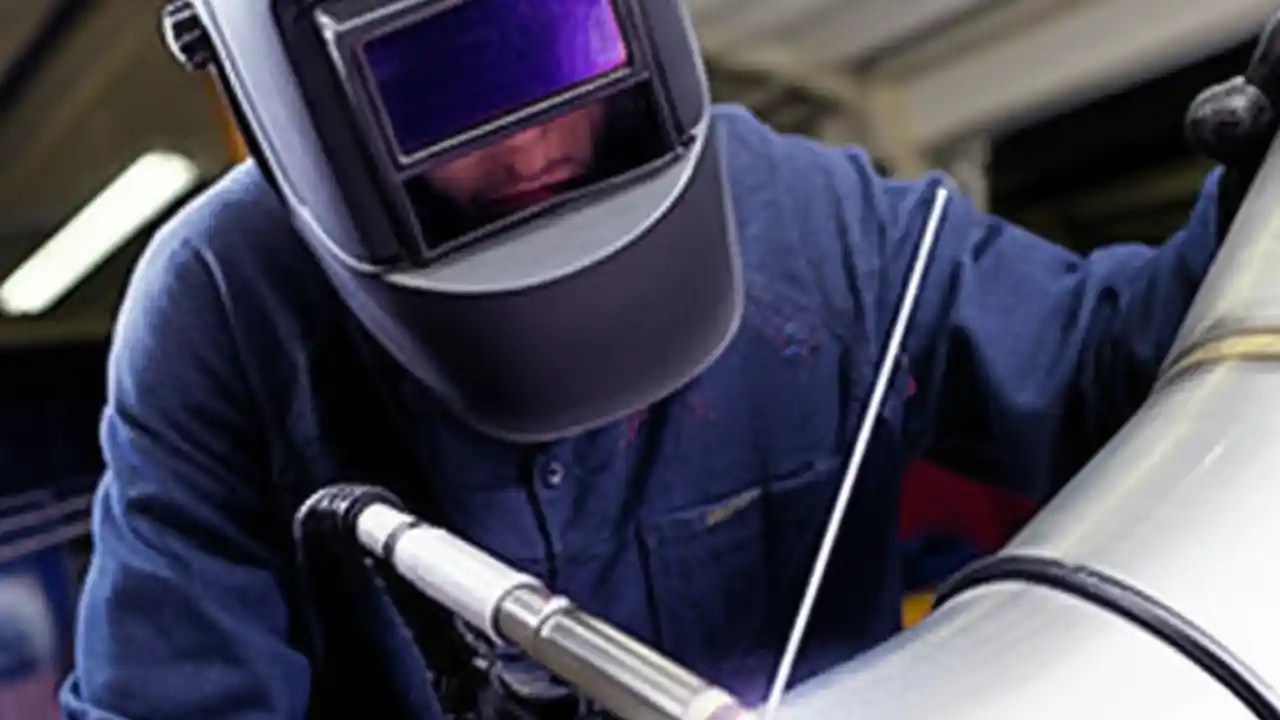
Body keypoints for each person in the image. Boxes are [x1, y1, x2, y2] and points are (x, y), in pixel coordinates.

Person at [60, 0, 1280, 718]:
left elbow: (1116, 374)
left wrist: (1257, 215)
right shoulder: (228, 310)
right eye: (433, 85)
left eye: (547, 41)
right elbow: (173, 703)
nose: (527, 145)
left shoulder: (808, 226)